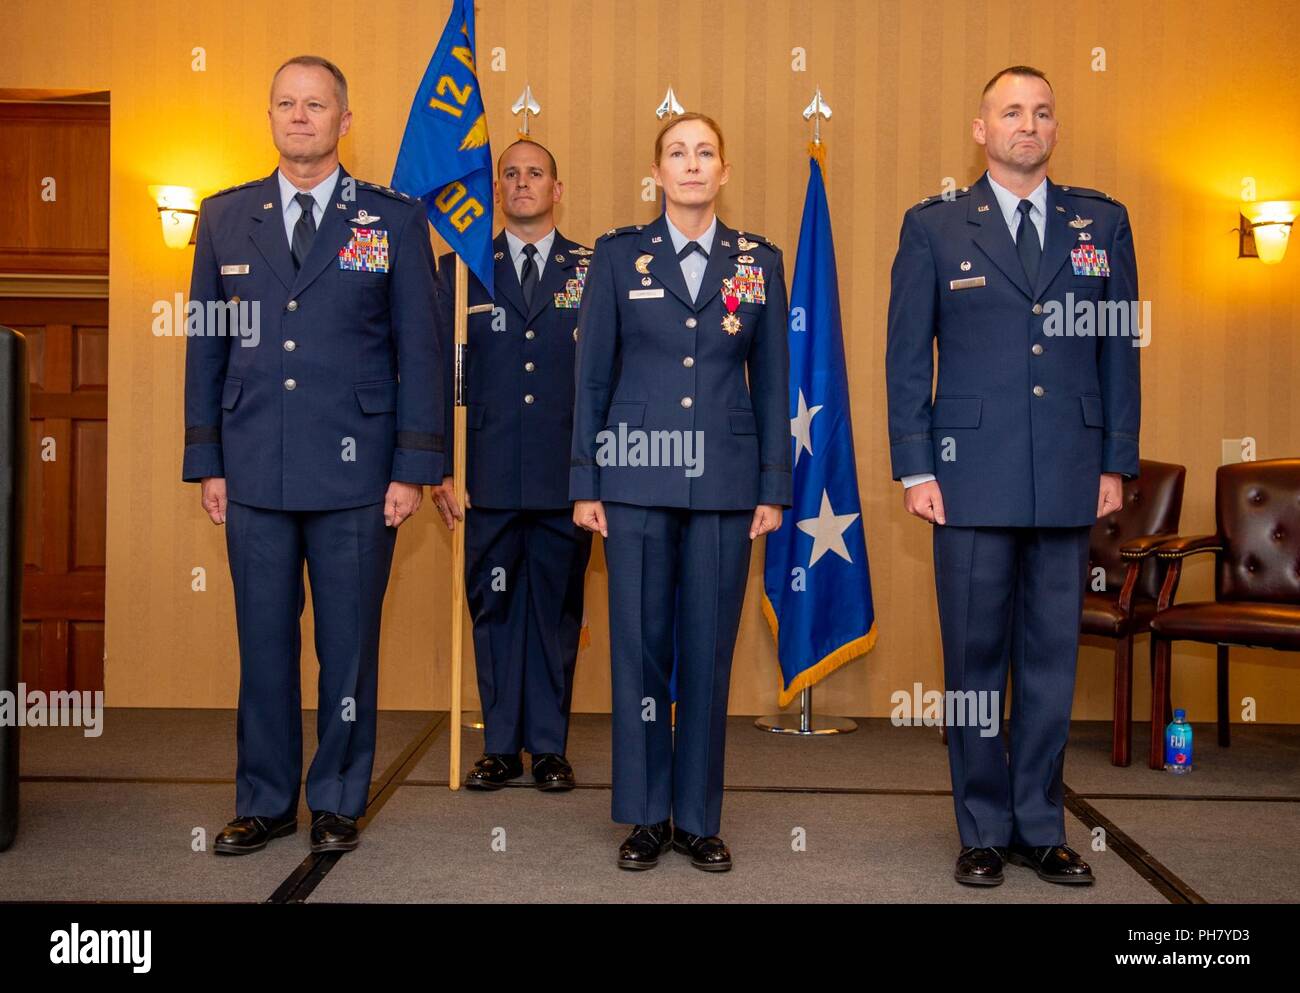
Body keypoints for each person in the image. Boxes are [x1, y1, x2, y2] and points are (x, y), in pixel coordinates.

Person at [885, 66, 1140, 886]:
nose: (1026, 125)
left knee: (1048, 660)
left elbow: (1117, 352)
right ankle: (982, 828)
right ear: (980, 127)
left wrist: (1115, 461)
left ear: (1055, 130)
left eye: (1040, 113)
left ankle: (1041, 823)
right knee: (972, 663)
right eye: (1010, 112)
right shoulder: (934, 227)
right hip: (965, 478)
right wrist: (915, 465)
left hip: (1068, 473)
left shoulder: (1102, 221)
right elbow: (904, 361)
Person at [182, 55, 441, 855]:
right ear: (269, 116)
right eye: (287, 104)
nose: (300, 117)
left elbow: (422, 351)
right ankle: (264, 799)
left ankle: (335, 796)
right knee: (262, 642)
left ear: (344, 120)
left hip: (361, 473)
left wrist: (413, 466)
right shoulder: (225, 217)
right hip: (254, 465)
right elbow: (206, 345)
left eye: (316, 105)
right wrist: (207, 459)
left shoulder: (392, 219)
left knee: (348, 646)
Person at [571, 113, 791, 871]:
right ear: (658, 172)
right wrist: (584, 481)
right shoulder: (617, 255)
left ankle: (696, 816)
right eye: (676, 153)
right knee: (637, 649)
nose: (691, 165)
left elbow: (774, 384)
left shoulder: (758, 260)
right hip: (631, 476)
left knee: (706, 653)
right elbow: (592, 376)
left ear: (723, 171)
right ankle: (643, 815)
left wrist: (773, 486)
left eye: (704, 153)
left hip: (728, 485)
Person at [431, 139, 593, 791]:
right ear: (495, 191)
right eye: (510, 174)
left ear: (557, 189)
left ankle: (548, 746)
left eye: (535, 173)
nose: (522, 183)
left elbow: (607, 379)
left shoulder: (593, 269)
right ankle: (500, 744)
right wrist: (441, 464)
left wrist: (602, 472)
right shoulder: (462, 271)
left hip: (566, 479)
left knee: (556, 613)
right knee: (493, 608)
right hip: (486, 480)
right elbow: (439, 378)